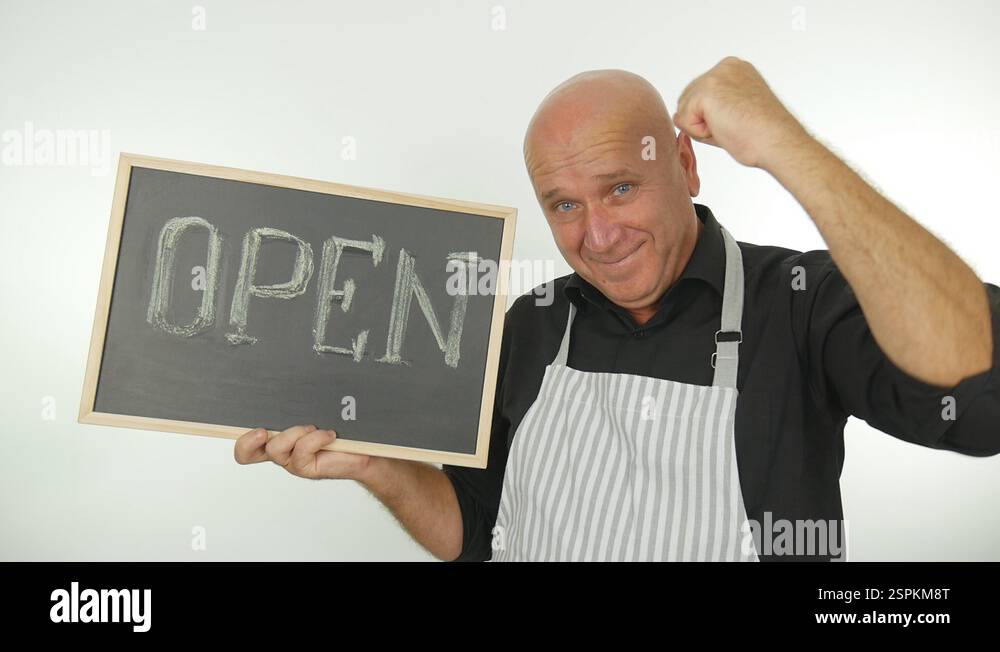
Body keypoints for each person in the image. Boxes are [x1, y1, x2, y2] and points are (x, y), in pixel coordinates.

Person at [234, 57, 1000, 561]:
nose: (597, 235)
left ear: (687, 166)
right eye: (564, 204)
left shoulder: (798, 304)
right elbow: (482, 533)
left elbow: (979, 401)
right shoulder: (530, 325)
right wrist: (379, 468)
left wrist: (782, 142)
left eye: (621, 188)